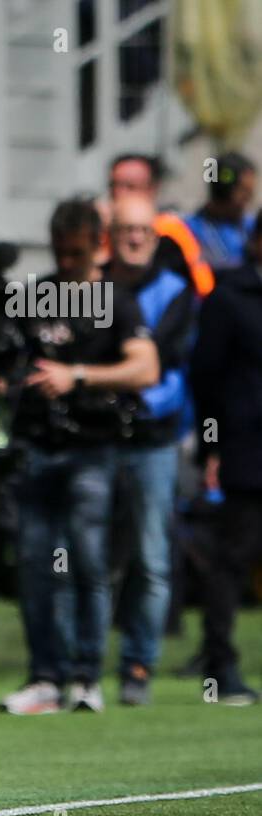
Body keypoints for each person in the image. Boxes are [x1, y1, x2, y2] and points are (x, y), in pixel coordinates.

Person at [0, 199, 159, 716]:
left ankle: (88, 677)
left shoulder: (117, 299)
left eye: (76, 253)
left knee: (89, 561)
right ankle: (45, 676)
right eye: (59, 253)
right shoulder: (35, 295)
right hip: (37, 449)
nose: (66, 263)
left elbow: (146, 369)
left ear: (98, 246)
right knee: (33, 562)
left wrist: (78, 376)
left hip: (92, 448)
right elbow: (8, 362)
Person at [103, 195, 197, 705]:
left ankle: (138, 666)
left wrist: (112, 386)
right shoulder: (88, 288)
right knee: (81, 558)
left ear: (155, 239)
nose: (135, 238)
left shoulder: (176, 291)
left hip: (154, 441)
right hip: (93, 440)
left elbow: (163, 365)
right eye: (125, 230)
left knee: (151, 559)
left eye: (143, 230)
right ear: (110, 235)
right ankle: (77, 668)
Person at [187, 217, 262, 705]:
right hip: (246, 449)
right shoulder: (229, 296)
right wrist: (211, 449)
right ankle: (220, 667)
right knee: (232, 558)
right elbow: (205, 375)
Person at [103, 153, 214, 295]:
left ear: (151, 190)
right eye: (114, 185)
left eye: (130, 186)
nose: (119, 193)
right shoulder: (98, 228)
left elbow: (203, 287)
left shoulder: (170, 232)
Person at [184, 151, 257, 272]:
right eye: (245, 192)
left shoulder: (251, 228)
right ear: (223, 190)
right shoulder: (190, 230)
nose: (249, 199)